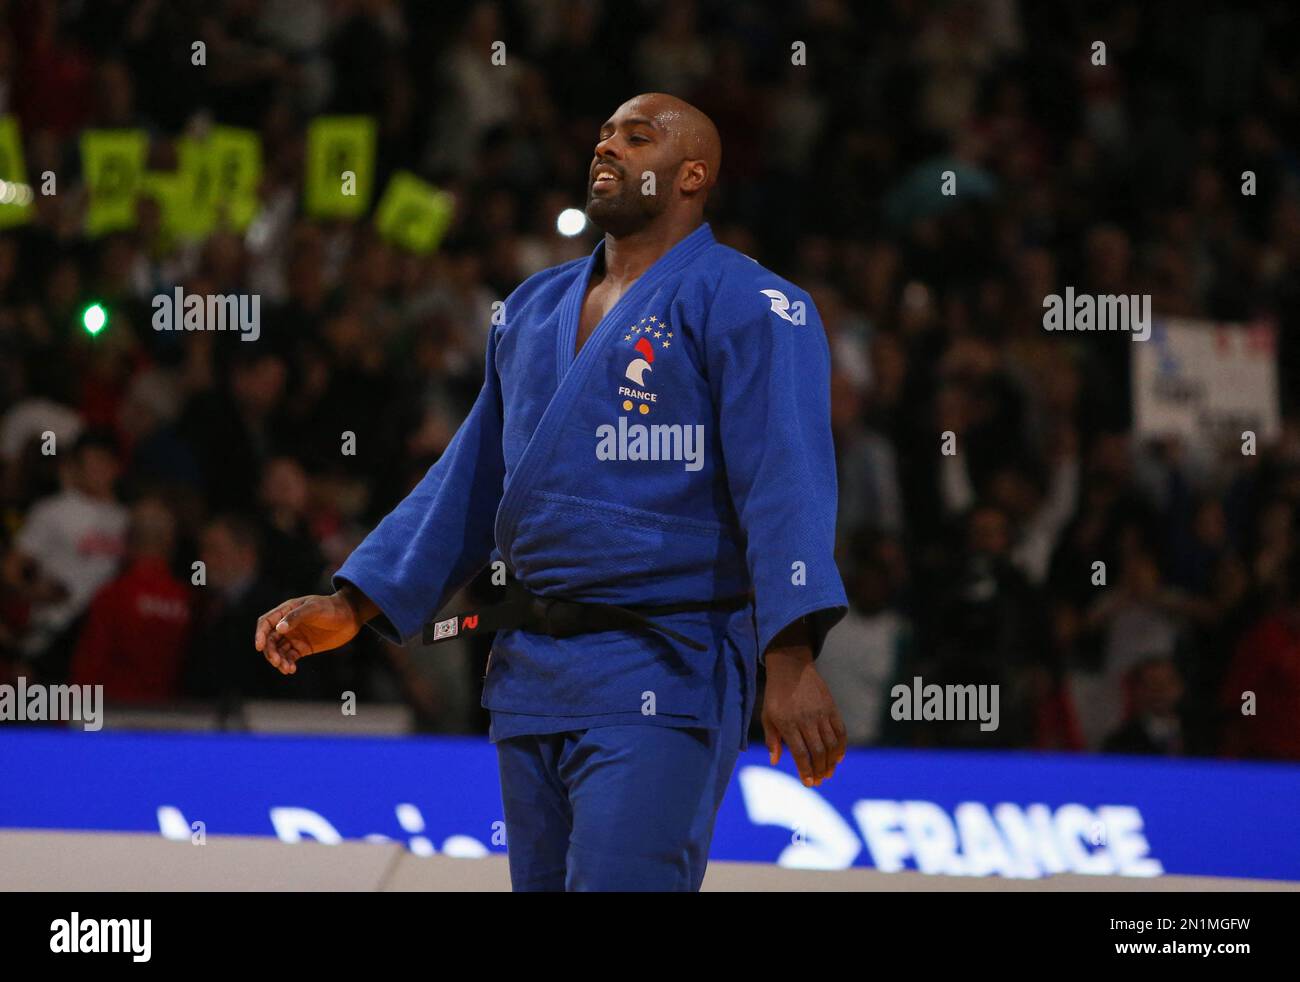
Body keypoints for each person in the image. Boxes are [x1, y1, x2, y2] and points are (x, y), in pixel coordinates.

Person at [255, 93, 848, 891]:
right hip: (533, 671)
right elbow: (470, 480)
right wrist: (354, 604)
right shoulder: (531, 307)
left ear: (692, 176)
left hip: (666, 661)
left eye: (637, 139)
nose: (607, 149)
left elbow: (785, 480)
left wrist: (791, 655)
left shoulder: (750, 302)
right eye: (602, 135)